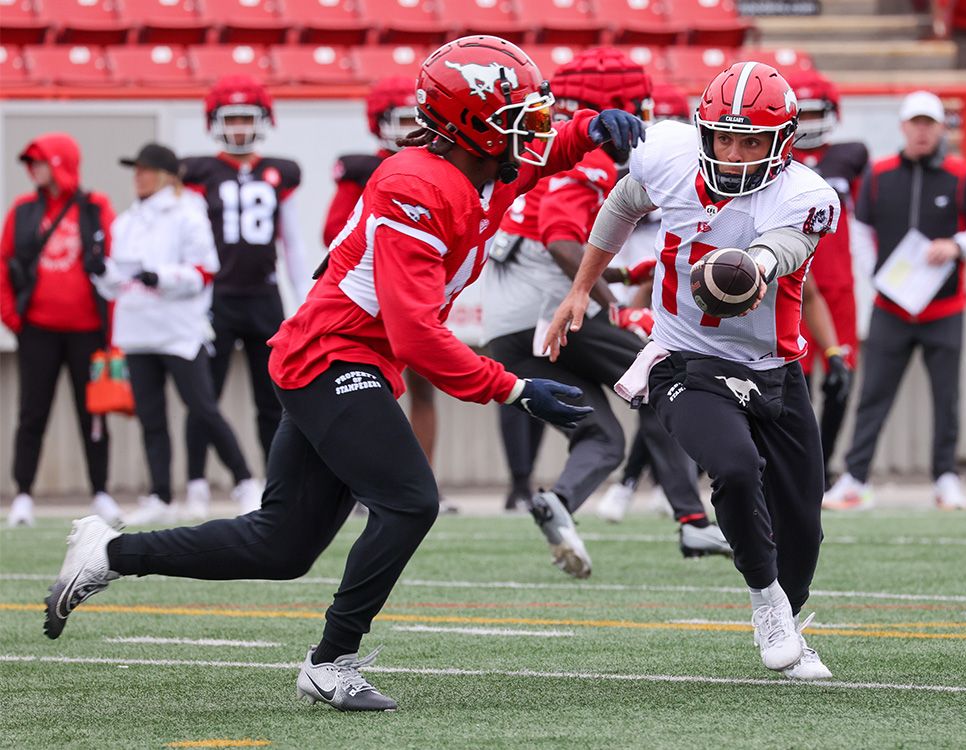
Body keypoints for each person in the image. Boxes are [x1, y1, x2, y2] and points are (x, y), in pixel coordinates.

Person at [43, 35, 643, 711]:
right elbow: (416, 332)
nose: (534, 134)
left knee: (281, 546)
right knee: (410, 500)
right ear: (474, 126)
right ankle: (332, 661)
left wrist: (591, 129)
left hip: (342, 355)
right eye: (519, 120)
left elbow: (539, 160)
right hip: (328, 354)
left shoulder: (479, 167)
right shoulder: (419, 185)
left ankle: (109, 554)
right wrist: (514, 388)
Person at [544, 61, 841, 679]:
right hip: (684, 357)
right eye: (724, 136)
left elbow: (786, 246)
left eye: (752, 140)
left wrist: (753, 265)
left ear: (783, 141)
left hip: (773, 371)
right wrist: (582, 287)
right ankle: (766, 602)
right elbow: (623, 202)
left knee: (805, 530)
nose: (733, 152)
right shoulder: (670, 151)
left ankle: (789, 606)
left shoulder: (807, 195)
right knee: (733, 467)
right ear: (703, 130)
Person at [482, 47, 730, 575]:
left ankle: (560, 503)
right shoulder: (589, 159)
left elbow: (560, 247)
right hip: (549, 315)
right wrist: (615, 306)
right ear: (621, 105)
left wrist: (622, 276)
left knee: (603, 436)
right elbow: (560, 240)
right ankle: (692, 520)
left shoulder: (540, 153)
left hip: (506, 328)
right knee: (664, 379)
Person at [824, 91, 966, 511]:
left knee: (947, 397)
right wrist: (876, 275)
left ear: (940, 129)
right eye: (915, 123)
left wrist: (955, 245)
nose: (922, 131)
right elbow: (860, 228)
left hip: (944, 309)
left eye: (929, 124)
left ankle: (945, 478)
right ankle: (855, 478)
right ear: (903, 126)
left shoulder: (959, 174)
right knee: (873, 394)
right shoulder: (881, 174)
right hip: (892, 308)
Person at [86, 144, 259, 526]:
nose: (138, 176)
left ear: (165, 174)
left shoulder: (188, 214)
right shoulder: (127, 220)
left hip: (179, 330)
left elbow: (204, 270)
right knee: (151, 418)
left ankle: (246, 482)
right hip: (136, 331)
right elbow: (117, 285)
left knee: (202, 408)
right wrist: (100, 271)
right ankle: (160, 494)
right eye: (136, 170)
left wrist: (160, 277)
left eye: (145, 169)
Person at [180, 75, 311, 519]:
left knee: (271, 400)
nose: (237, 127)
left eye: (245, 118)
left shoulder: (281, 171)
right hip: (218, 298)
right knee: (204, 397)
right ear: (216, 123)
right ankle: (196, 483)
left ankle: (275, 484)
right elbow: (193, 243)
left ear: (262, 121)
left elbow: (292, 242)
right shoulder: (200, 173)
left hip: (264, 298)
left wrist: (305, 301)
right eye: (230, 118)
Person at [322, 77, 454, 512]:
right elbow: (335, 234)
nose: (407, 129)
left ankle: (423, 479)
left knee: (423, 390)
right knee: (368, 393)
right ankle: (371, 484)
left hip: (420, 294)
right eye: (397, 121)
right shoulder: (370, 170)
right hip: (374, 301)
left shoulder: (443, 166)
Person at [0, 133, 121, 528]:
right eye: (30, 162)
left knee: (95, 417)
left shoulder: (95, 207)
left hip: (88, 333)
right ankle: (22, 496)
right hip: (37, 332)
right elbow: (4, 265)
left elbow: (115, 264)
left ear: (60, 163)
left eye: (40, 161)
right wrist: (14, 319)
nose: (33, 170)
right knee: (31, 414)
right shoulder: (22, 210)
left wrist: (112, 329)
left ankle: (101, 492)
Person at [598, 81, 692, 521]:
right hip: (628, 286)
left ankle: (638, 483)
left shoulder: (695, 172)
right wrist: (632, 299)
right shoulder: (634, 170)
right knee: (654, 390)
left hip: (671, 287)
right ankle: (644, 486)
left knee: (663, 391)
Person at [787, 69, 869, 488]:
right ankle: (798, 468)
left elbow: (870, 218)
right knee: (795, 382)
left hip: (838, 289)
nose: (809, 120)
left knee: (840, 380)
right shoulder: (778, 160)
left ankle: (823, 466)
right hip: (793, 285)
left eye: (815, 110)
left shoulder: (851, 155)